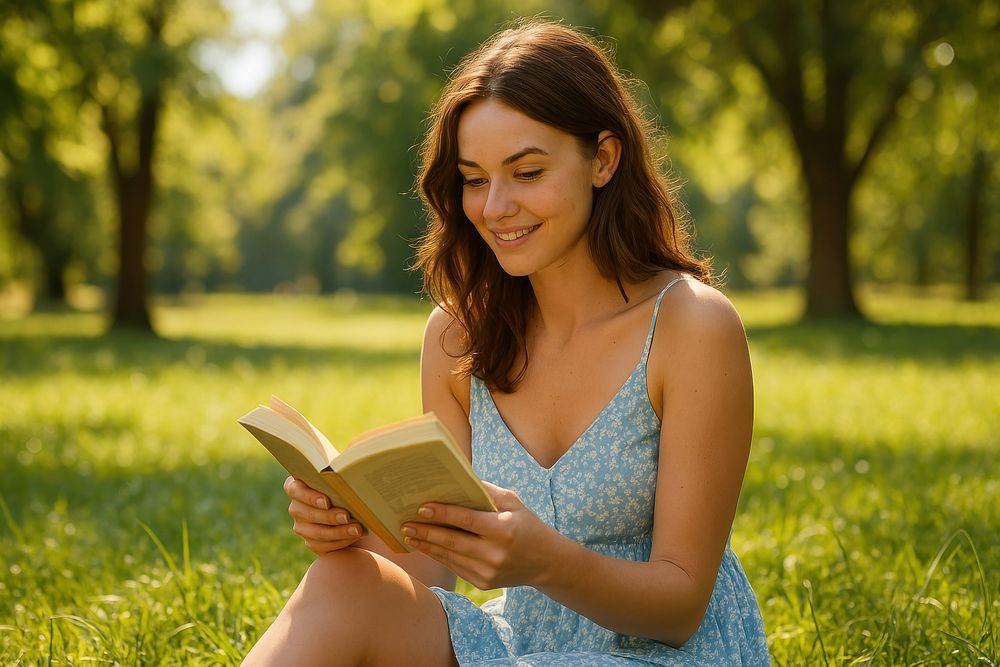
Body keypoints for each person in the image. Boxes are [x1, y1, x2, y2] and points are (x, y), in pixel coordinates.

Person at [243, 20, 769, 666]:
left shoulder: (692, 328)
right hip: (521, 651)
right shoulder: (457, 339)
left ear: (603, 158)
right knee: (341, 583)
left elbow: (681, 605)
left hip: (665, 656)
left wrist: (545, 561)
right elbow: (433, 567)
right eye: (473, 178)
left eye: (526, 171)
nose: (495, 206)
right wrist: (349, 535)